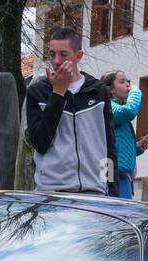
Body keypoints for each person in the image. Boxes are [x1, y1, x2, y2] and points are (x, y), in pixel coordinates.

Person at [25, 27, 118, 195]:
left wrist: (112, 191)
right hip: (52, 193)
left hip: (94, 193)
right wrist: (58, 94)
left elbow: (109, 147)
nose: (57, 61)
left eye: (63, 54)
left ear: (78, 56)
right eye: (52, 55)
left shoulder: (98, 90)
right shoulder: (37, 92)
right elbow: (40, 143)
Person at [102, 70, 148, 199]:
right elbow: (130, 111)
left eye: (128, 81)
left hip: (120, 172)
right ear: (111, 90)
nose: (128, 85)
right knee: (118, 213)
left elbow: (117, 144)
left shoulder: (115, 109)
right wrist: (136, 91)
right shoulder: (108, 107)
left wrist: (138, 147)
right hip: (111, 171)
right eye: (122, 81)